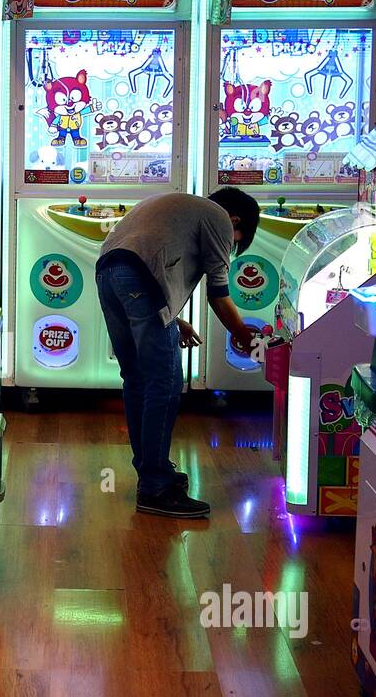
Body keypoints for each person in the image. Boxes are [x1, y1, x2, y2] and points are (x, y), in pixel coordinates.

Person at [95, 188, 261, 519]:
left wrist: (173, 321)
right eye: (236, 240)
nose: (230, 244)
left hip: (107, 273)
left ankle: (151, 470)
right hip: (140, 280)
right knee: (166, 380)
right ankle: (155, 487)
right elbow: (218, 293)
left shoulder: (176, 205)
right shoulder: (218, 217)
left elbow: (144, 262)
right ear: (235, 220)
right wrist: (246, 338)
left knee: (136, 379)